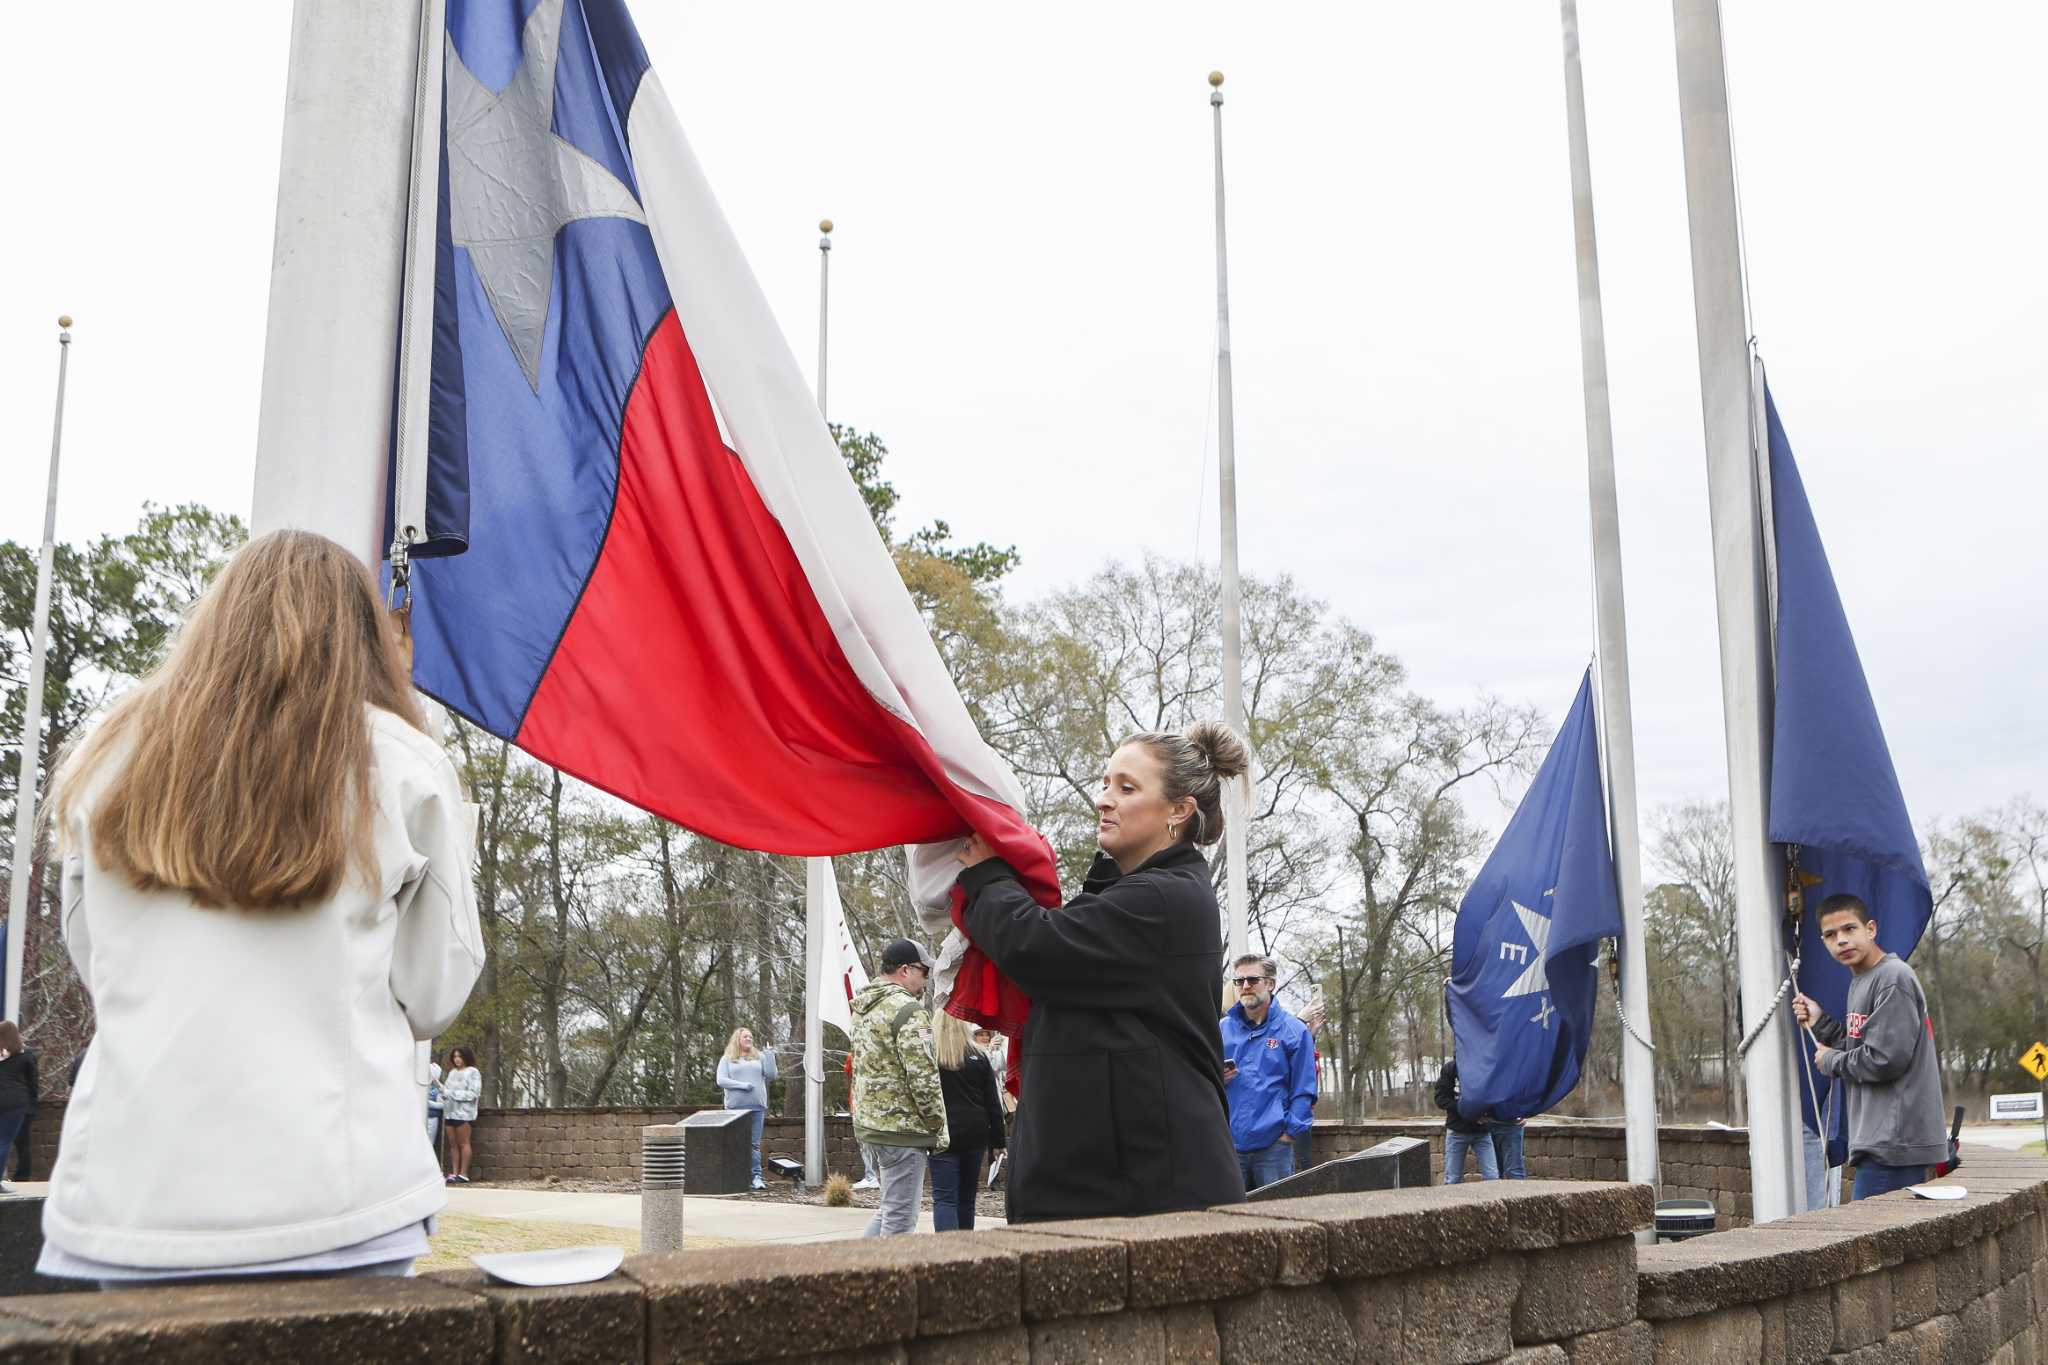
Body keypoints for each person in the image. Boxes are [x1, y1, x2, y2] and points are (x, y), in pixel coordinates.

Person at [36, 529, 483, 1285]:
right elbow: (434, 991)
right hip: (337, 1198)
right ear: (362, 639)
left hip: (134, 1200)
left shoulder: (107, 754)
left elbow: (99, 959)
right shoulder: (401, 761)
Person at [956, 721, 1248, 1224]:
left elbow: (1038, 947)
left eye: (1127, 788)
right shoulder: (1139, 894)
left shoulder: (1165, 898)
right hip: (1120, 1190)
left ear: (1179, 812)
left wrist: (988, 877)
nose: (1103, 799)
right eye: (1106, 782)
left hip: (1150, 1197)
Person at [1794, 893, 1949, 1201]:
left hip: (1895, 1142)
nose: (1841, 940)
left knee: (1866, 1246)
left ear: (1871, 929)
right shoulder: (1863, 980)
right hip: (1881, 1141)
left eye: (1849, 929)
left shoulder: (1893, 978)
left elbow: (1884, 1060)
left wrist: (1829, 1061)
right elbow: (1860, 1045)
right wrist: (1820, 1021)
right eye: (1830, 934)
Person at [850, 939, 947, 1237]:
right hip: (903, 1131)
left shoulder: (863, 1009)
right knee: (900, 1223)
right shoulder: (910, 1011)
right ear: (905, 970)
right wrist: (936, 1124)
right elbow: (924, 1076)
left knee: (888, 1211)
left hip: (872, 1127)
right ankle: (879, 1281)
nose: (927, 980)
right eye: (924, 971)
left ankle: (853, 1270)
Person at [1220, 955, 1317, 1191]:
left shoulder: (1293, 1031)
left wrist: (1289, 1135)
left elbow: (1304, 1090)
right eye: (1239, 981)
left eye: (1252, 980)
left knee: (1277, 1220)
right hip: (1229, 1148)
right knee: (1230, 1222)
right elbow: (1200, 1083)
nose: (1244, 987)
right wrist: (1216, 1079)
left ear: (1270, 984)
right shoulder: (1222, 1030)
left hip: (1273, 1149)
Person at [930, 1012, 1005, 1231]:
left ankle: (947, 1255)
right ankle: (965, 1251)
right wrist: (998, 1141)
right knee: (966, 1199)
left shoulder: (931, 1056)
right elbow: (993, 1103)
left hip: (942, 1134)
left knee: (944, 1199)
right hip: (975, 1133)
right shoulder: (979, 1056)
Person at [716, 1027, 779, 1191]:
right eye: (745, 1036)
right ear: (738, 1039)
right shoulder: (728, 1059)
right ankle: (735, 1177)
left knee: (754, 1145)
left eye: (751, 1036)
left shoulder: (760, 1057)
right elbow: (721, 1080)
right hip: (735, 1108)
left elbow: (772, 1075)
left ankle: (756, 1177)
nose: (749, 1039)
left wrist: (770, 1055)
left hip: (757, 1107)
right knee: (735, 1143)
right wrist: (742, 1086)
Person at [1435, 1058, 1498, 1182]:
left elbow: (1494, 1096)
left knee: (1492, 1177)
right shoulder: (1450, 1068)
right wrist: (1468, 1111)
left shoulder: (1485, 1067)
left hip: (1482, 1132)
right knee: (1452, 1179)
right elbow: (1440, 1099)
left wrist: (1487, 1113)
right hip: (1457, 1131)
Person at [0, 1024, 35, 1193]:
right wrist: (31, 1108)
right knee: (5, 1142)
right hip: (15, 1103)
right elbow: (32, 1085)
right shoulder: (26, 1057)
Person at [441, 1047, 482, 1183]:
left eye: (460, 1056)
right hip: (450, 1112)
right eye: (455, 1056)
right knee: (453, 1144)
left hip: (464, 1114)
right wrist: (443, 1094)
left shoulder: (473, 1072)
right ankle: (454, 1172)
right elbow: (446, 1090)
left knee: (463, 1143)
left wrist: (452, 1094)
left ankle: (464, 1174)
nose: (457, 1059)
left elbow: (473, 1094)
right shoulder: (452, 1073)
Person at [426, 1060, 445, 1158]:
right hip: (420, 1119)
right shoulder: (422, 1087)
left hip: (432, 1118)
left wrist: (429, 1104)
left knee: (429, 1144)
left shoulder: (438, 1090)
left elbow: (443, 1105)